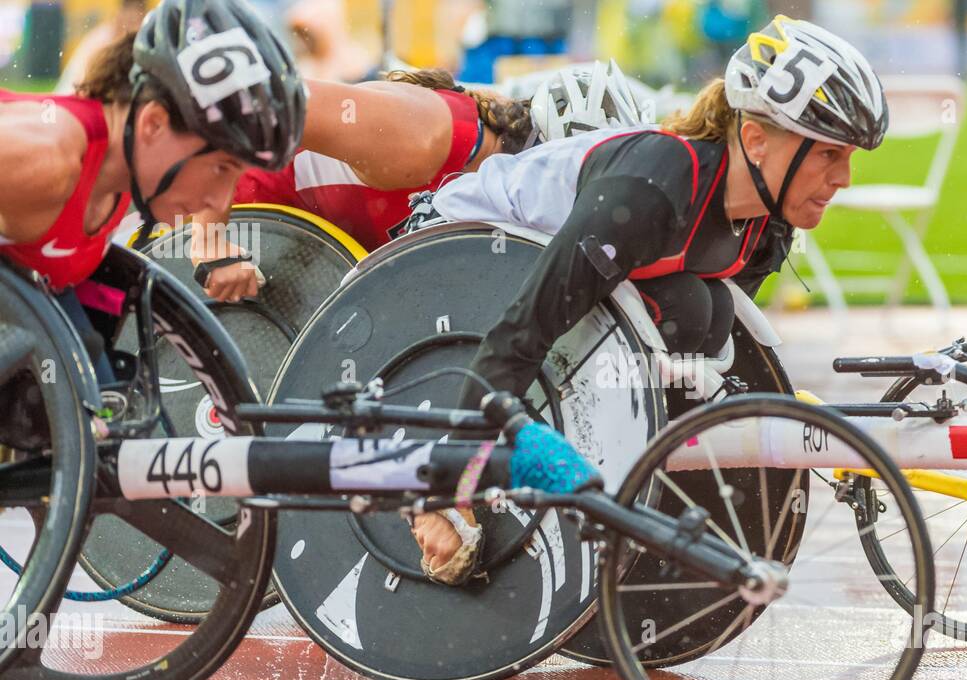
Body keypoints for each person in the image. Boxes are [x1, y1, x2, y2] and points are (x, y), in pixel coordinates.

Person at [409, 15, 889, 583]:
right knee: (685, 312)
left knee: (702, 314)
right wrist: (451, 485)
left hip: (556, 284)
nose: (846, 179)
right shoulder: (650, 191)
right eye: (830, 154)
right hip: (449, 248)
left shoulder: (768, 222)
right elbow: (523, 330)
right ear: (757, 141)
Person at [0, 0, 305, 409]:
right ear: (153, 124)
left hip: (44, 309)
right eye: (221, 169)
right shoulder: (41, 161)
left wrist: (211, 238)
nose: (219, 199)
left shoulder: (125, 164)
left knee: (107, 421)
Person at [192, 59, 642, 301]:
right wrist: (209, 239)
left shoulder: (490, 190)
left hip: (298, 270)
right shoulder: (425, 137)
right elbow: (251, 100)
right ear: (538, 155)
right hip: (218, 221)